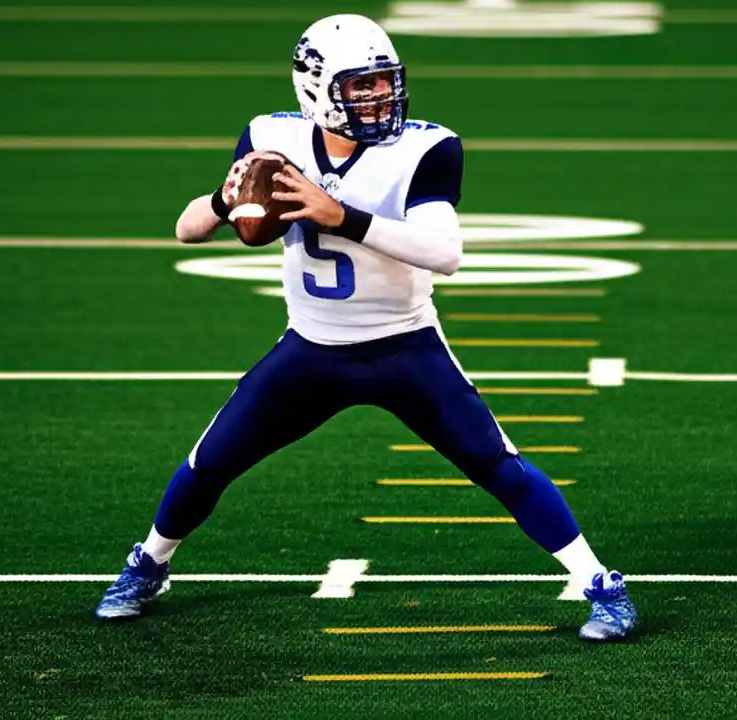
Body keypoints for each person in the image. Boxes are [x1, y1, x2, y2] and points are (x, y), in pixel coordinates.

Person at [94, 14, 636, 642]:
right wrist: (224, 201)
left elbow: (445, 253)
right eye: (362, 86)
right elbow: (188, 228)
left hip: (404, 348)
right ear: (316, 88)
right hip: (311, 351)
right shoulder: (272, 138)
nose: (381, 97)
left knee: (498, 465)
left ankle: (602, 584)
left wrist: (340, 215)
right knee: (210, 461)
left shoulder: (426, 148)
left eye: (384, 83)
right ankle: (149, 564)